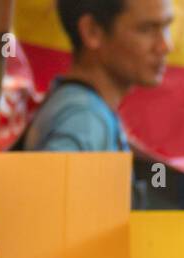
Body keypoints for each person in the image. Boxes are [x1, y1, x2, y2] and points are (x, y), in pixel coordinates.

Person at [22, 0, 173, 153]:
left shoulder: (84, 110)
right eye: (146, 29)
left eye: (166, 27)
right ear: (92, 31)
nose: (165, 46)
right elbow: (52, 176)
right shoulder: (84, 119)